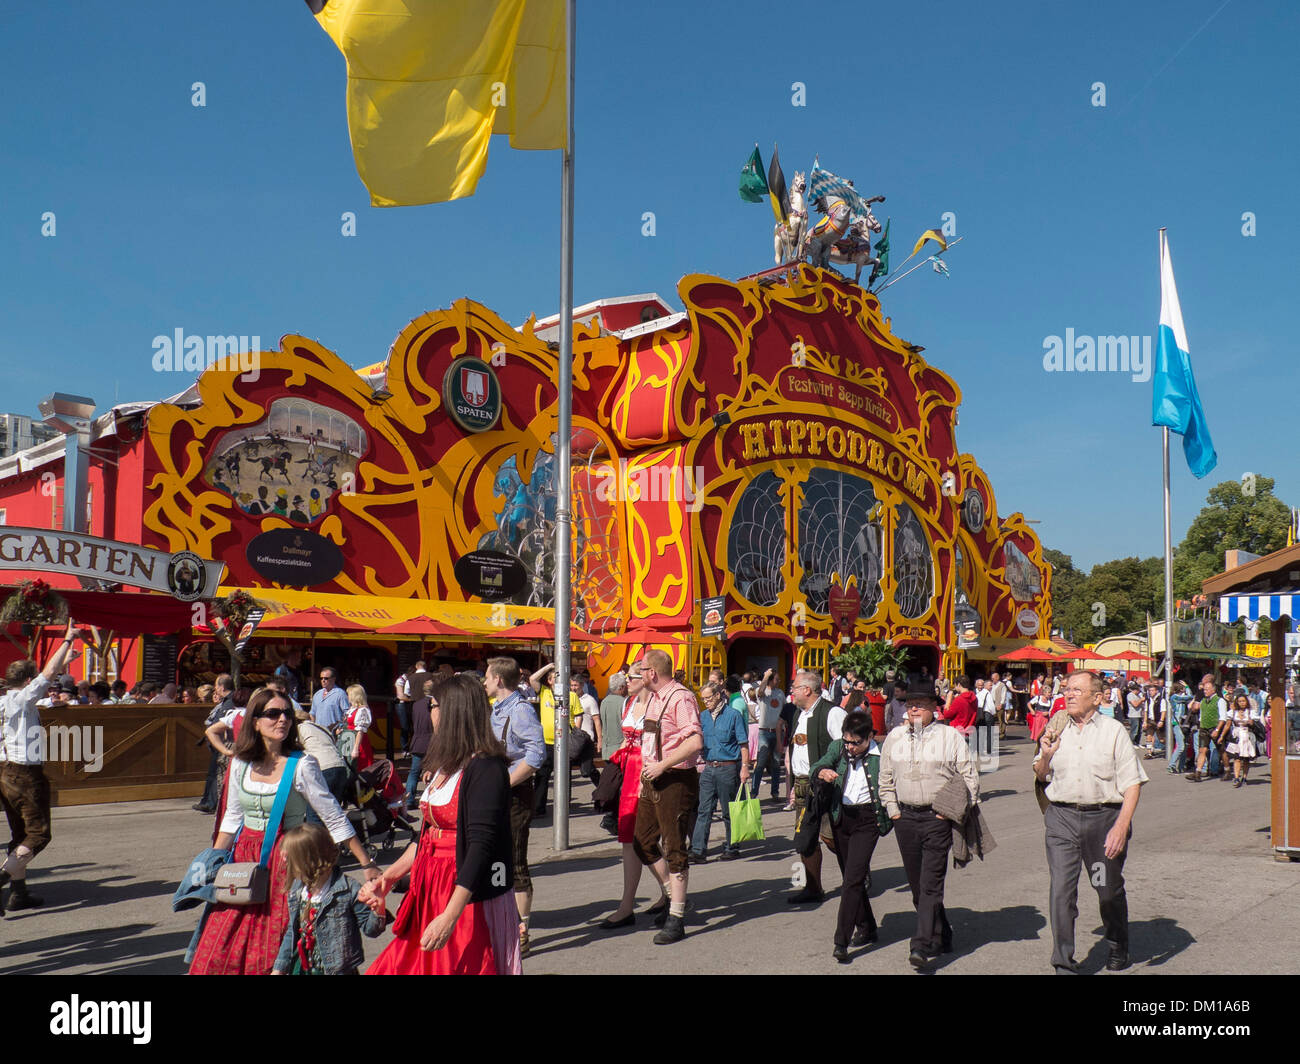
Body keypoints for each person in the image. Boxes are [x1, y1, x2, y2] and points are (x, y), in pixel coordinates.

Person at [190, 688, 379, 974]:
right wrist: (214, 862)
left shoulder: (302, 765)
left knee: (281, 939)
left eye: (287, 714)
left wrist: (366, 863)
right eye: (273, 714)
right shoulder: (240, 763)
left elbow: (334, 817)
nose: (282, 720)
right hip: (243, 861)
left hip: (287, 862)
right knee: (223, 940)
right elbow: (231, 820)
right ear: (254, 721)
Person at [360, 674, 520, 975]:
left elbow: (481, 847)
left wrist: (450, 915)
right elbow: (428, 834)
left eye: (433, 705)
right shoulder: (446, 764)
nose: (427, 711)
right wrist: (390, 877)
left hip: (463, 890)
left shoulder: (486, 767)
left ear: (454, 711)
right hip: (430, 882)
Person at [1033, 670, 1147, 973]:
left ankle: (1116, 942)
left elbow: (1132, 784)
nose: (1068, 694)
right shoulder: (1056, 727)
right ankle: (1063, 963)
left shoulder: (1113, 731)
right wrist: (1045, 756)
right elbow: (1041, 775)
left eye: (1077, 690)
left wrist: (1120, 827)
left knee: (1105, 888)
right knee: (1061, 890)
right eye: (1067, 689)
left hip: (1102, 822)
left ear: (1097, 698)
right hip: (1062, 821)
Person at [878, 679, 979, 970]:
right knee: (917, 887)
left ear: (934, 708)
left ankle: (920, 944)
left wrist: (949, 811)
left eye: (920, 705)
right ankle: (943, 932)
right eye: (910, 705)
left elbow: (969, 778)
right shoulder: (895, 737)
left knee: (931, 884)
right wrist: (893, 810)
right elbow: (884, 779)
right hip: (905, 818)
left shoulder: (950, 737)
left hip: (938, 818)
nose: (914, 709)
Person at [0, 621, 80, 913]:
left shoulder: (7, 700)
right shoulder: (22, 699)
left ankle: (18, 893)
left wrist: (48, 702)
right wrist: (67, 641)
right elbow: (45, 676)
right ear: (26, 681)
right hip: (24, 773)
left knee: (20, 835)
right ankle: (3, 878)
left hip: (4, 772)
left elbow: (31, 699)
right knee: (38, 835)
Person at [630, 649, 702, 945]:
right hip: (652, 779)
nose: (637, 673)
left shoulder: (680, 697)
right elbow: (650, 741)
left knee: (674, 846)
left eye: (641, 669)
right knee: (642, 841)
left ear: (653, 673)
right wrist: (644, 777)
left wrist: (663, 764)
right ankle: (673, 895)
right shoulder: (655, 698)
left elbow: (696, 741)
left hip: (674, 779)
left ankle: (677, 917)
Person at [812, 709, 891, 963]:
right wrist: (822, 772)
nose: (850, 747)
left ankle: (841, 941)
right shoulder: (839, 747)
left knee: (854, 879)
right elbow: (818, 764)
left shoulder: (883, 755)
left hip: (868, 820)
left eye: (856, 742)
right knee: (851, 877)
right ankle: (867, 927)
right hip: (840, 817)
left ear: (870, 737)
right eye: (847, 740)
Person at [598, 662, 669, 929]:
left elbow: (656, 746)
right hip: (629, 772)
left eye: (633, 676)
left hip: (646, 773)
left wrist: (646, 779)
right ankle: (631, 903)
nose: (627, 680)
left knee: (642, 839)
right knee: (630, 839)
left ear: (647, 677)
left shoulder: (656, 704)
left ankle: (671, 893)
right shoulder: (628, 704)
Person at [485, 657, 545, 958]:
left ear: (498, 680)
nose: (484, 682)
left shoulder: (520, 710)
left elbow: (536, 754)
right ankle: (501, 922)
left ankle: (522, 931)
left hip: (515, 796)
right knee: (496, 860)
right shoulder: (494, 709)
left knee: (516, 862)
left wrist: (505, 782)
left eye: (487, 676)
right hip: (494, 795)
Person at [271, 823, 386, 975]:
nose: (285, 863)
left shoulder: (349, 889)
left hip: (338, 970)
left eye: (291, 860)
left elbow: (371, 930)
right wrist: (279, 968)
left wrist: (378, 909)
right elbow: (292, 933)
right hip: (303, 969)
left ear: (309, 860)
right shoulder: (298, 889)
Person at [786, 669, 844, 905]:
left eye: (794, 688)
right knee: (805, 838)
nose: (791, 692)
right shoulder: (798, 714)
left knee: (832, 838)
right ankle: (812, 887)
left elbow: (845, 748)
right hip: (802, 784)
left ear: (807, 690)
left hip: (825, 784)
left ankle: (856, 875)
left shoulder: (833, 713)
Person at [689, 683, 751, 863]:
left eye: (708, 698)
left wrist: (745, 767)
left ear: (718, 695)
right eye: (703, 699)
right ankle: (698, 850)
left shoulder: (733, 715)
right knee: (704, 810)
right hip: (708, 768)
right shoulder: (703, 717)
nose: (706, 702)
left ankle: (732, 847)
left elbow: (743, 744)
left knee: (729, 811)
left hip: (728, 768)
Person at [528, 662, 585, 817]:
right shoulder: (544, 692)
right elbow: (532, 679)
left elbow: (579, 715)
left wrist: (576, 733)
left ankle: (564, 806)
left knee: (564, 777)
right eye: (554, 678)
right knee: (542, 776)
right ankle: (539, 808)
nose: (558, 680)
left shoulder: (571, 695)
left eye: (560, 677)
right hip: (546, 742)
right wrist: (548, 667)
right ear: (549, 680)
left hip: (564, 742)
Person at [292, 704, 350, 814]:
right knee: (334, 813)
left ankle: (318, 831)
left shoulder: (299, 729)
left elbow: (293, 750)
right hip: (340, 768)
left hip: (323, 768)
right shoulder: (322, 728)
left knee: (315, 813)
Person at [751, 669, 785, 800]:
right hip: (764, 731)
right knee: (760, 763)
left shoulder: (780, 693)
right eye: (776, 679)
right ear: (770, 680)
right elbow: (759, 692)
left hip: (777, 732)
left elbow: (784, 709)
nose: (779, 681)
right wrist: (765, 676)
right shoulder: (764, 692)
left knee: (776, 764)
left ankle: (775, 792)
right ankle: (754, 791)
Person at [1187, 674, 1227, 782]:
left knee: (1220, 750)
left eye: (1207, 689)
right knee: (1202, 750)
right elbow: (1197, 711)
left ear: (1212, 689)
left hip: (1215, 727)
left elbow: (1223, 717)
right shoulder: (1203, 700)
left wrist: (1217, 730)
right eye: (1204, 689)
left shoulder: (1219, 700)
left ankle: (1227, 770)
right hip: (1204, 727)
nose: (1204, 691)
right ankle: (1198, 773)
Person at [406, 678, 435, 809]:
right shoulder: (436, 704)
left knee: (414, 773)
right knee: (434, 773)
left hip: (417, 741)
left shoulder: (416, 704)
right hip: (432, 742)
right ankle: (430, 800)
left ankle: (409, 800)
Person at [1225, 694, 1258, 788]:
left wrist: (1251, 723)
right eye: (1240, 701)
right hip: (1237, 736)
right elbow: (1228, 724)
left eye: (1243, 701)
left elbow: (1255, 723)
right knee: (1237, 758)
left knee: (1246, 759)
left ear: (1246, 702)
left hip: (1247, 735)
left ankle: (1244, 777)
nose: (1242, 703)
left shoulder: (1250, 712)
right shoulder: (1233, 712)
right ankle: (1236, 777)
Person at [343, 684, 374, 770]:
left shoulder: (362, 710)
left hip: (358, 743)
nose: (347, 696)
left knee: (360, 767)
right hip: (349, 740)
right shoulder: (352, 709)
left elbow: (360, 731)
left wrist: (356, 748)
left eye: (348, 694)